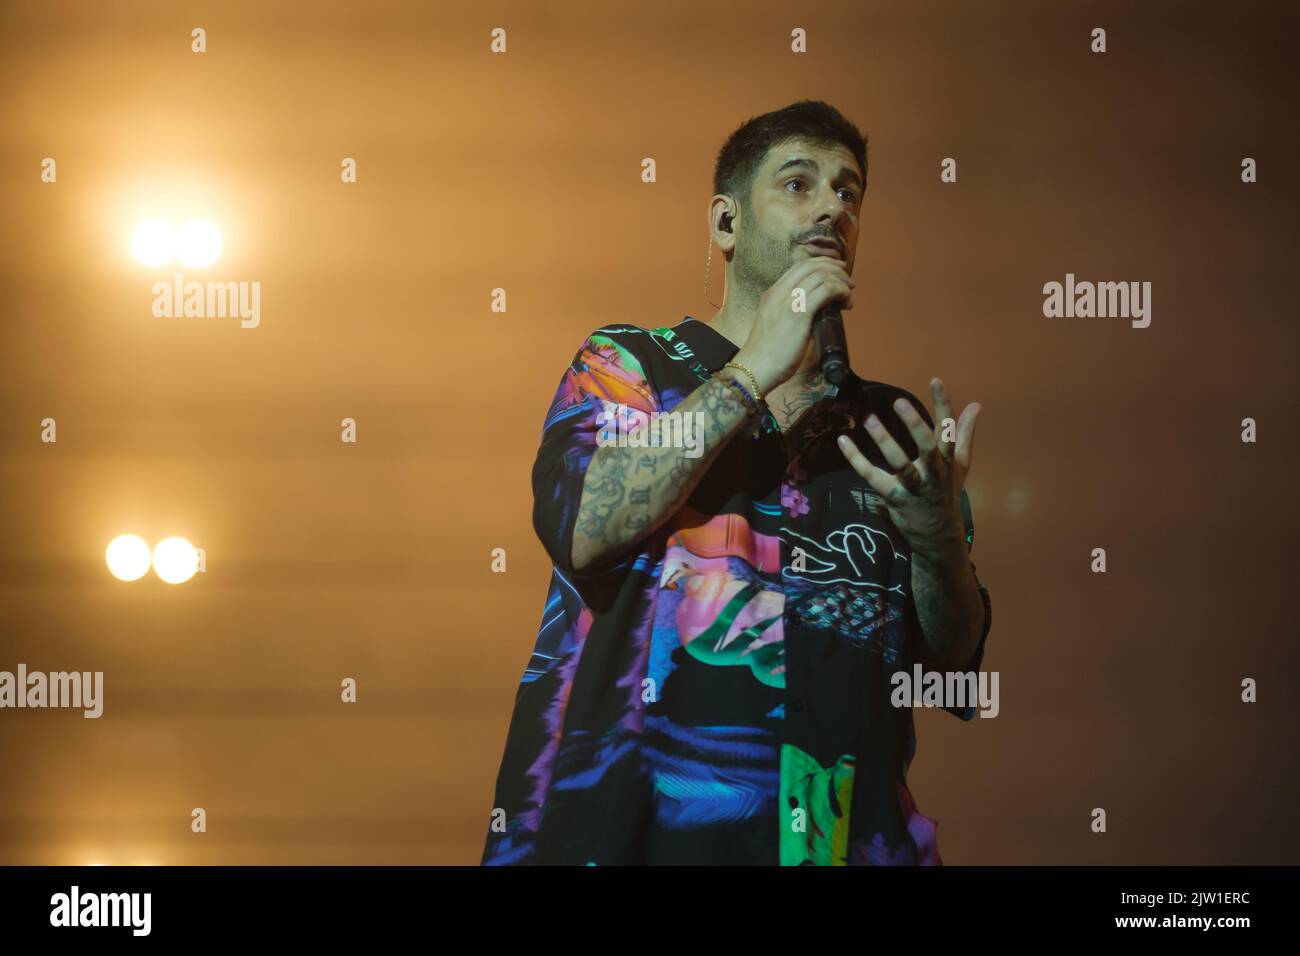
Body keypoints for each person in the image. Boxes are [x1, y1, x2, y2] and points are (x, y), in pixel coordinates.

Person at [481, 100, 992, 866]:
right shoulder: (631, 365)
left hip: (834, 841)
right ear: (725, 225)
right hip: (632, 836)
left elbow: (948, 670)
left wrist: (937, 542)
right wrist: (754, 367)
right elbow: (585, 526)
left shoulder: (889, 426)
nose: (832, 206)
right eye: (798, 183)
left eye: (849, 192)